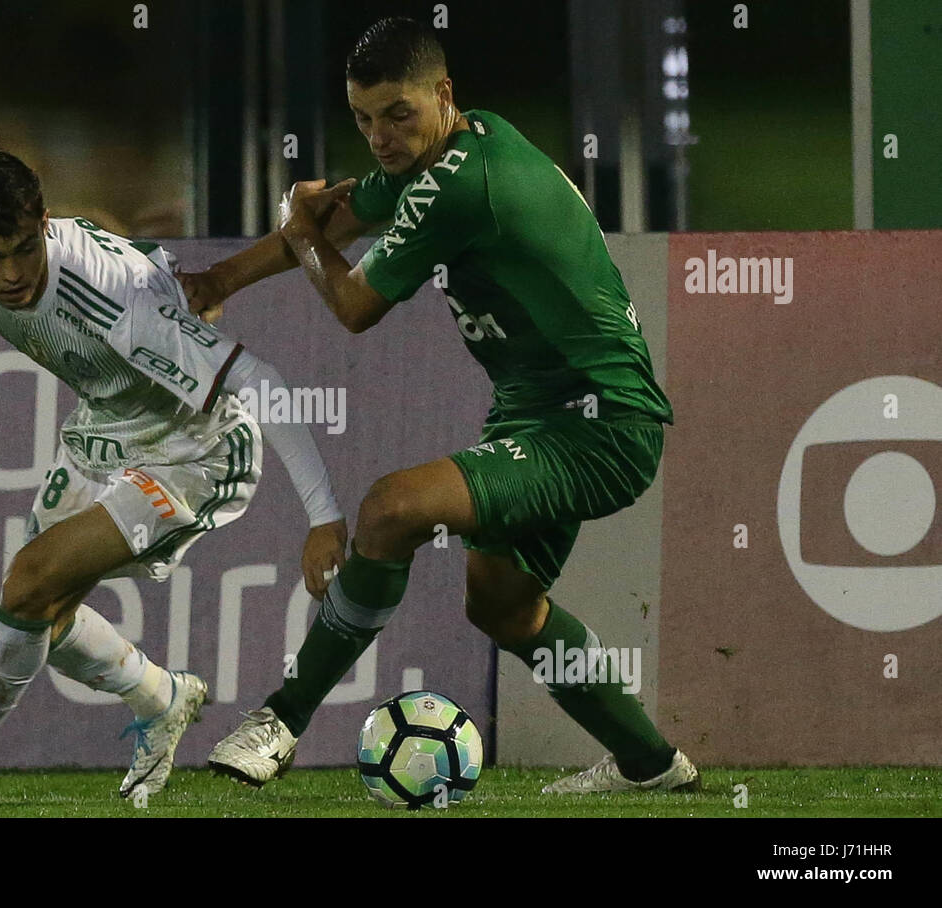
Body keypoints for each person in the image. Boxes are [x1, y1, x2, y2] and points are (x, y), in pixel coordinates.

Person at [184, 17, 699, 795]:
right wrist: (220, 281)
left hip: (601, 427)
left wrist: (298, 228)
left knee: (390, 509)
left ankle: (279, 722)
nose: (381, 137)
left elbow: (352, 303)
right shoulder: (450, 154)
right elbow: (335, 224)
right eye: (362, 119)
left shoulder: (463, 181)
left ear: (443, 95)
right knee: (503, 606)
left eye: (398, 113)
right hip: (539, 414)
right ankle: (654, 766)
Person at [0, 151, 347, 799]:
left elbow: (260, 382)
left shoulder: (119, 300)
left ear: (44, 222)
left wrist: (323, 515)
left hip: (198, 451)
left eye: (23, 249)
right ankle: (162, 697)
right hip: (104, 428)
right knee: (44, 615)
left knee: (28, 582)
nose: (11, 275)